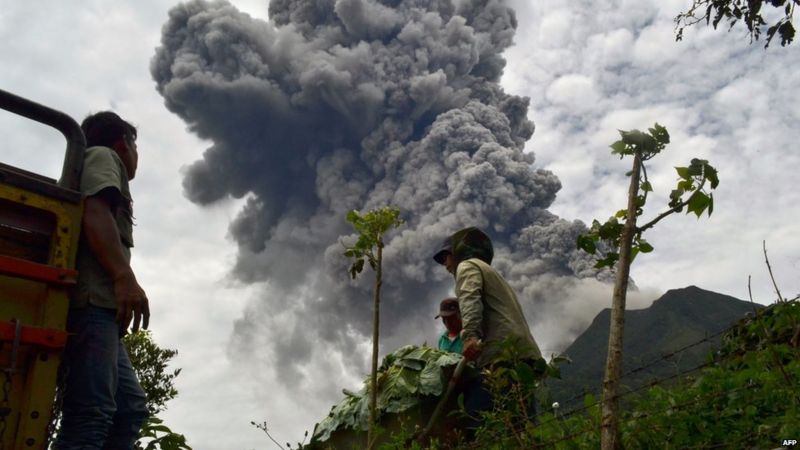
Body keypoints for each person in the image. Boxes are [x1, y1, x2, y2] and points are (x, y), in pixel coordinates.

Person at [56, 111, 150, 449]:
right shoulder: (103, 156)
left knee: (129, 409)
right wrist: (124, 277)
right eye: (136, 147)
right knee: (90, 414)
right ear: (124, 144)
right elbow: (95, 210)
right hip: (91, 303)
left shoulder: (96, 160)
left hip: (103, 310)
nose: (137, 157)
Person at [433, 227, 541, 423]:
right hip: (522, 354)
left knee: (475, 421)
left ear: (457, 252)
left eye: (445, 257)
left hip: (501, 355)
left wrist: (470, 337)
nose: (444, 264)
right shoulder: (491, 273)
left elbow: (469, 298)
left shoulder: (466, 267)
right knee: (522, 422)